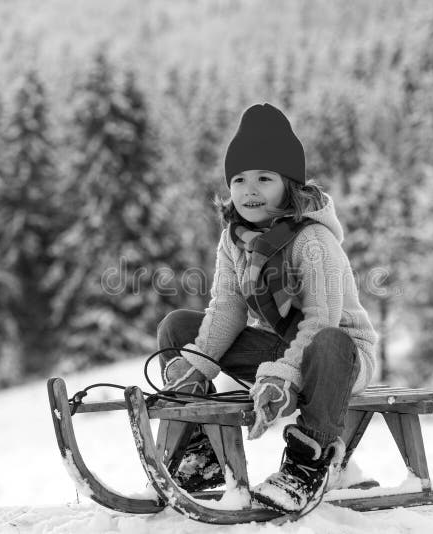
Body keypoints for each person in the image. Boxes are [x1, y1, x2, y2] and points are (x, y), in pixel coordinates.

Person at [156, 102, 378, 513]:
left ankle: (308, 462)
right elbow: (226, 311)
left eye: (264, 178)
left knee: (328, 341)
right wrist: (196, 368)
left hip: (338, 356)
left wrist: (281, 379)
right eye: (239, 179)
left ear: (288, 184)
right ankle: (202, 450)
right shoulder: (235, 240)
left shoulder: (312, 240)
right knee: (179, 329)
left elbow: (319, 323)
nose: (249, 190)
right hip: (281, 348)